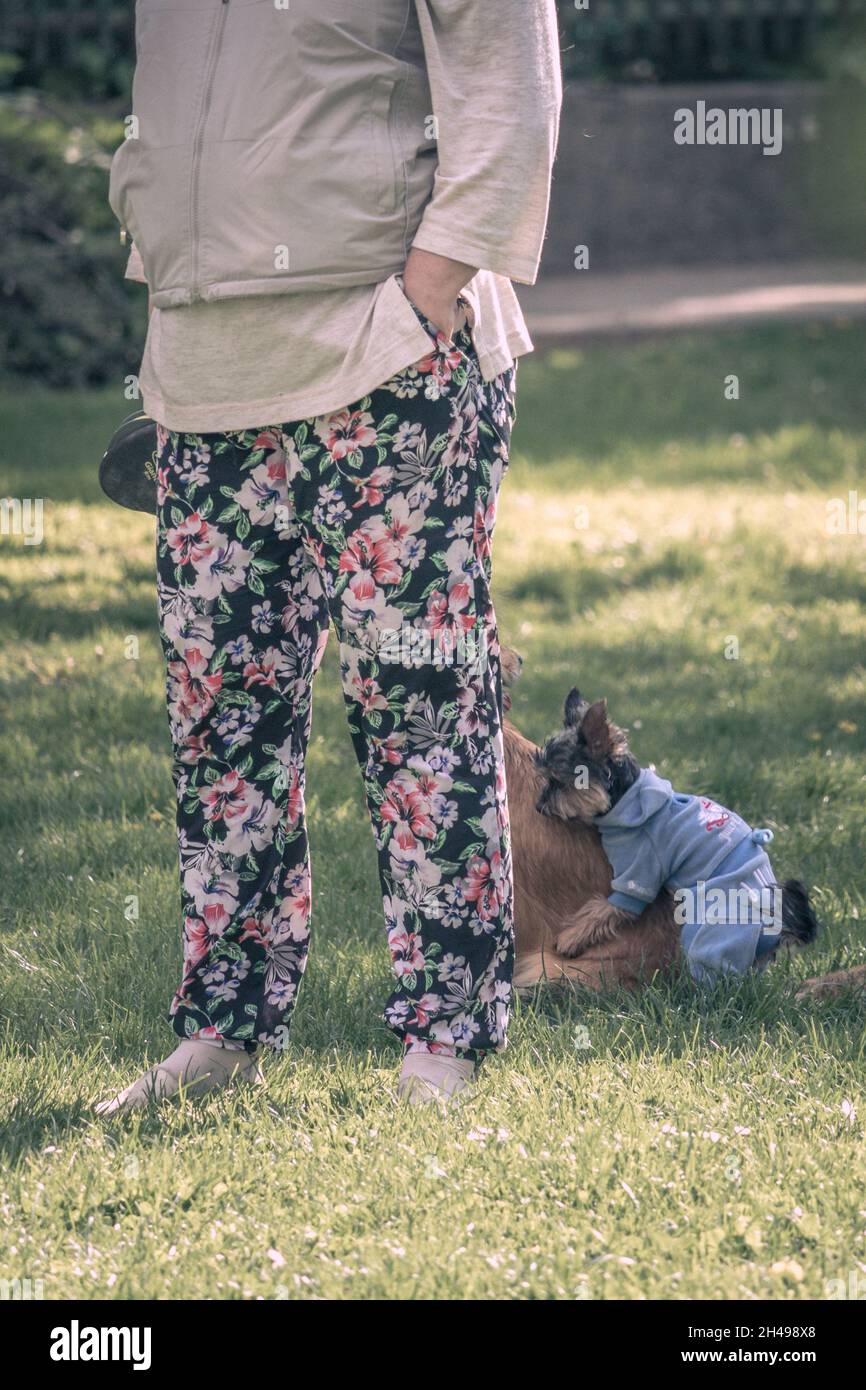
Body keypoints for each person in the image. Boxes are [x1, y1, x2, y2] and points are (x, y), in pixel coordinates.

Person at [96, 0, 561, 1113]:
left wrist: (429, 292)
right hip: (203, 375)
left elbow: (511, 78)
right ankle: (221, 1030)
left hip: (386, 353)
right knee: (221, 729)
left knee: (419, 708)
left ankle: (444, 1039)